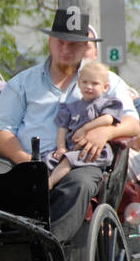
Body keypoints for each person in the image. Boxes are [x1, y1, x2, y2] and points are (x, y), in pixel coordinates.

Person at [0, 8, 140, 242]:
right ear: (50, 41)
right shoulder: (21, 83)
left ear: (85, 46)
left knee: (78, 184)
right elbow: (2, 133)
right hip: (28, 161)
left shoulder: (103, 80)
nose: (66, 49)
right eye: (60, 42)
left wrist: (107, 131)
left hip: (81, 162)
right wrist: (26, 161)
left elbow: (133, 123)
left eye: (74, 44)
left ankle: (50, 247)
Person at [84, 23, 140, 183]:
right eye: (73, 46)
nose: (80, 52)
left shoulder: (112, 82)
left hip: (118, 151)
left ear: (95, 52)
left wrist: (107, 133)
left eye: (86, 47)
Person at [46, 61, 125, 190]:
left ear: (105, 87)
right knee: (48, 160)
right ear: (78, 84)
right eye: (85, 82)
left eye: (95, 83)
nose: (89, 86)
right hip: (72, 149)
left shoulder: (105, 104)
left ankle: (50, 183)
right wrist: (61, 147)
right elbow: (63, 129)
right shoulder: (70, 107)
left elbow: (107, 119)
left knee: (67, 160)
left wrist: (85, 128)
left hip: (92, 152)